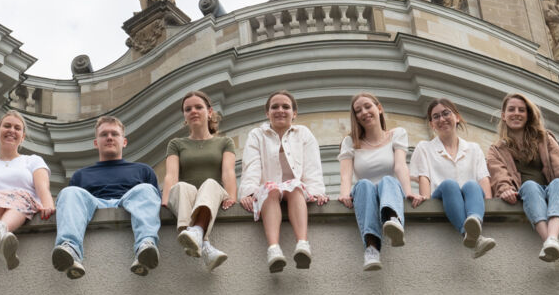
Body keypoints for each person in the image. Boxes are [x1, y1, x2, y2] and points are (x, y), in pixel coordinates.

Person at [486, 92, 559, 269]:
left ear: (528, 114)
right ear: (503, 115)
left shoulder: (544, 139)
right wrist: (505, 189)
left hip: (552, 191)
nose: (516, 113)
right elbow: (498, 174)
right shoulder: (497, 149)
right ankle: (552, 243)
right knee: (529, 186)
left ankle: (551, 240)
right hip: (526, 193)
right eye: (511, 110)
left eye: (521, 110)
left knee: (558, 183)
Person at [52, 115, 162, 279]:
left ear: (124, 141)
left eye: (114, 134)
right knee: (69, 192)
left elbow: (155, 203)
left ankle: (145, 246)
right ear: (96, 143)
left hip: (129, 203)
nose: (109, 137)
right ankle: (70, 248)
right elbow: (72, 207)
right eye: (104, 134)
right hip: (94, 205)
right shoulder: (81, 175)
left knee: (146, 189)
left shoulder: (143, 170)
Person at [239, 91, 328, 272]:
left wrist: (317, 191)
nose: (280, 110)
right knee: (270, 190)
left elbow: (312, 166)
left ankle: (302, 244)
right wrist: (248, 192)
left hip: (296, 190)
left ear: (294, 113)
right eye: (275, 107)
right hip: (269, 190)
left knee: (294, 187)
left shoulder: (303, 133)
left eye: (286, 107)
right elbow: (252, 165)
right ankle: (274, 249)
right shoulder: (257, 135)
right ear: (267, 113)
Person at [337, 93, 421, 271]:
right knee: (364, 184)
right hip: (365, 195)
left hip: (390, 191)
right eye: (358, 110)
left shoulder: (397, 134)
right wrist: (344, 194)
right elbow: (346, 175)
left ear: (379, 108)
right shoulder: (350, 142)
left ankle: (393, 221)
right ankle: (371, 249)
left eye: (368, 106)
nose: (364, 112)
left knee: (388, 180)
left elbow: (400, 166)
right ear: (356, 117)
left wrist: (408, 192)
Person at [0, 110, 55, 271]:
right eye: (7, 126)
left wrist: (48, 205)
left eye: (17, 128)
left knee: (19, 196)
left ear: (22, 136)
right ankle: (2, 243)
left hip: (24, 205)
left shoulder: (32, 160)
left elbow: (42, 187)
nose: (12, 131)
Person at [410, 98, 495, 259]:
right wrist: (425, 202)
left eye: (445, 113)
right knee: (449, 185)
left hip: (472, 199)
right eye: (436, 117)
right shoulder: (424, 148)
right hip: (442, 198)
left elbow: (484, 181)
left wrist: (489, 207)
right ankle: (468, 232)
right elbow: (425, 179)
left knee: (471, 185)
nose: (441, 119)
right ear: (431, 124)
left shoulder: (474, 148)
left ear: (457, 117)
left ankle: (474, 223)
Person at [162, 91, 237, 271]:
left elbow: (228, 172)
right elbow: (171, 175)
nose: (193, 111)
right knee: (180, 186)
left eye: (198, 107)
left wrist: (232, 196)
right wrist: (165, 200)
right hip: (186, 197)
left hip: (212, 195)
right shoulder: (176, 144)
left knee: (211, 183)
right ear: (185, 116)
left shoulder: (225, 142)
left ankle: (196, 234)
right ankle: (205, 245)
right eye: (188, 109)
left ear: (209, 111)